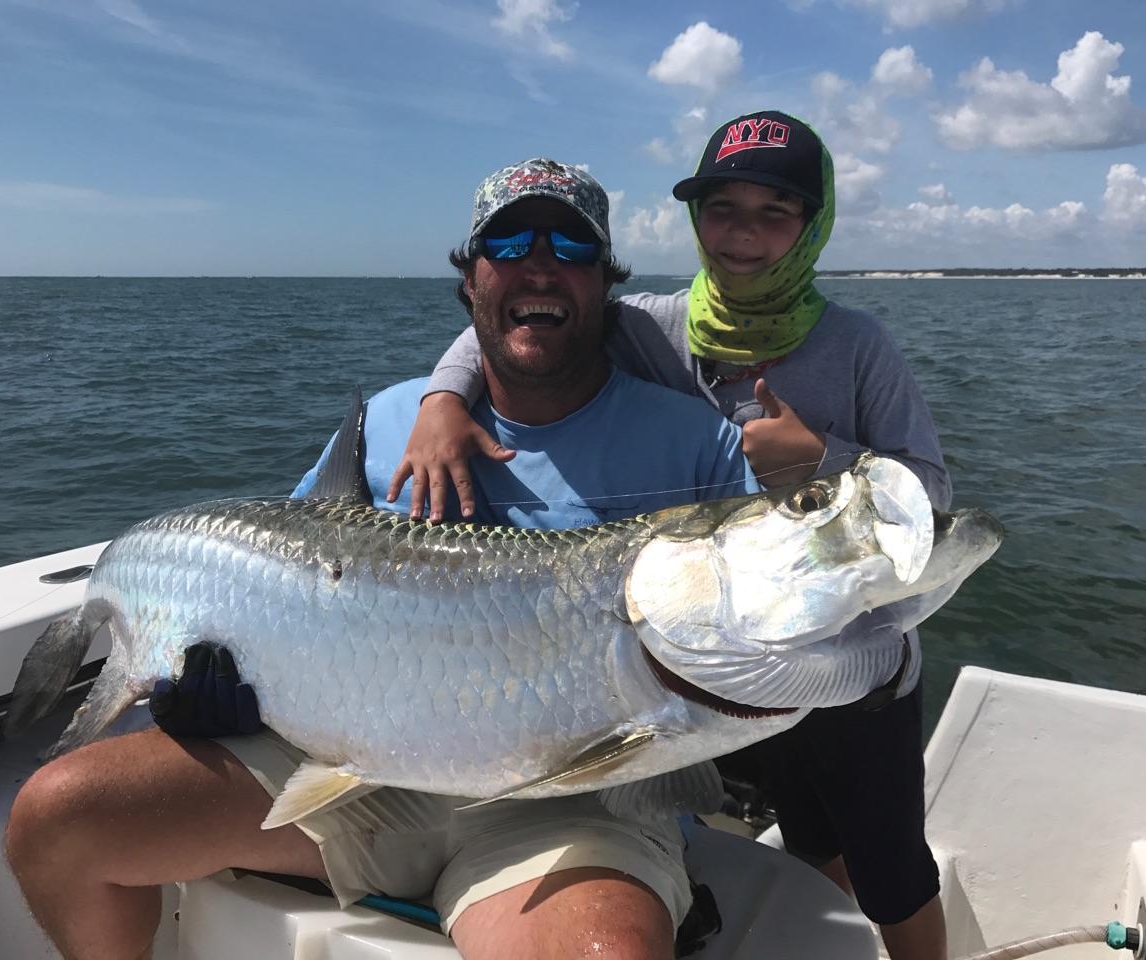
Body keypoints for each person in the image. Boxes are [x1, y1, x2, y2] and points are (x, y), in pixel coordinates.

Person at [3, 158, 758, 960]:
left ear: (607, 283)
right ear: (471, 278)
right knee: (57, 820)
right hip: (344, 773)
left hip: (576, 803)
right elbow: (287, 568)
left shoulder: (697, 442)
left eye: (572, 246)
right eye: (509, 240)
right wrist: (212, 679)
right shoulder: (387, 424)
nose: (541, 262)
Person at [387, 112, 952, 960]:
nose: (743, 235)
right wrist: (441, 400)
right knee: (807, 848)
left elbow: (933, 500)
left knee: (894, 870)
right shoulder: (652, 323)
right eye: (723, 209)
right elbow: (521, 316)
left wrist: (820, 459)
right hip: (721, 654)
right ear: (694, 219)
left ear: (814, 226)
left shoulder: (858, 348)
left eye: (775, 213)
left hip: (848, 664)